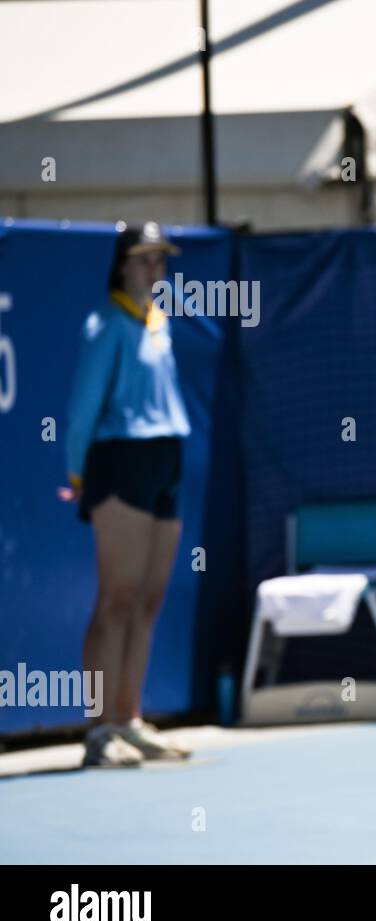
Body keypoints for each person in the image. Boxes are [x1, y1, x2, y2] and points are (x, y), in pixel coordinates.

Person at [61, 222, 194, 767]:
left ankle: (129, 720)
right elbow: (81, 412)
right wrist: (78, 476)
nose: (154, 270)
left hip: (166, 460)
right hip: (119, 463)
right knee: (115, 601)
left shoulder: (160, 324)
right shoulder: (105, 325)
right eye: (144, 260)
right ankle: (99, 731)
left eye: (160, 260)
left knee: (147, 601)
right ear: (122, 266)